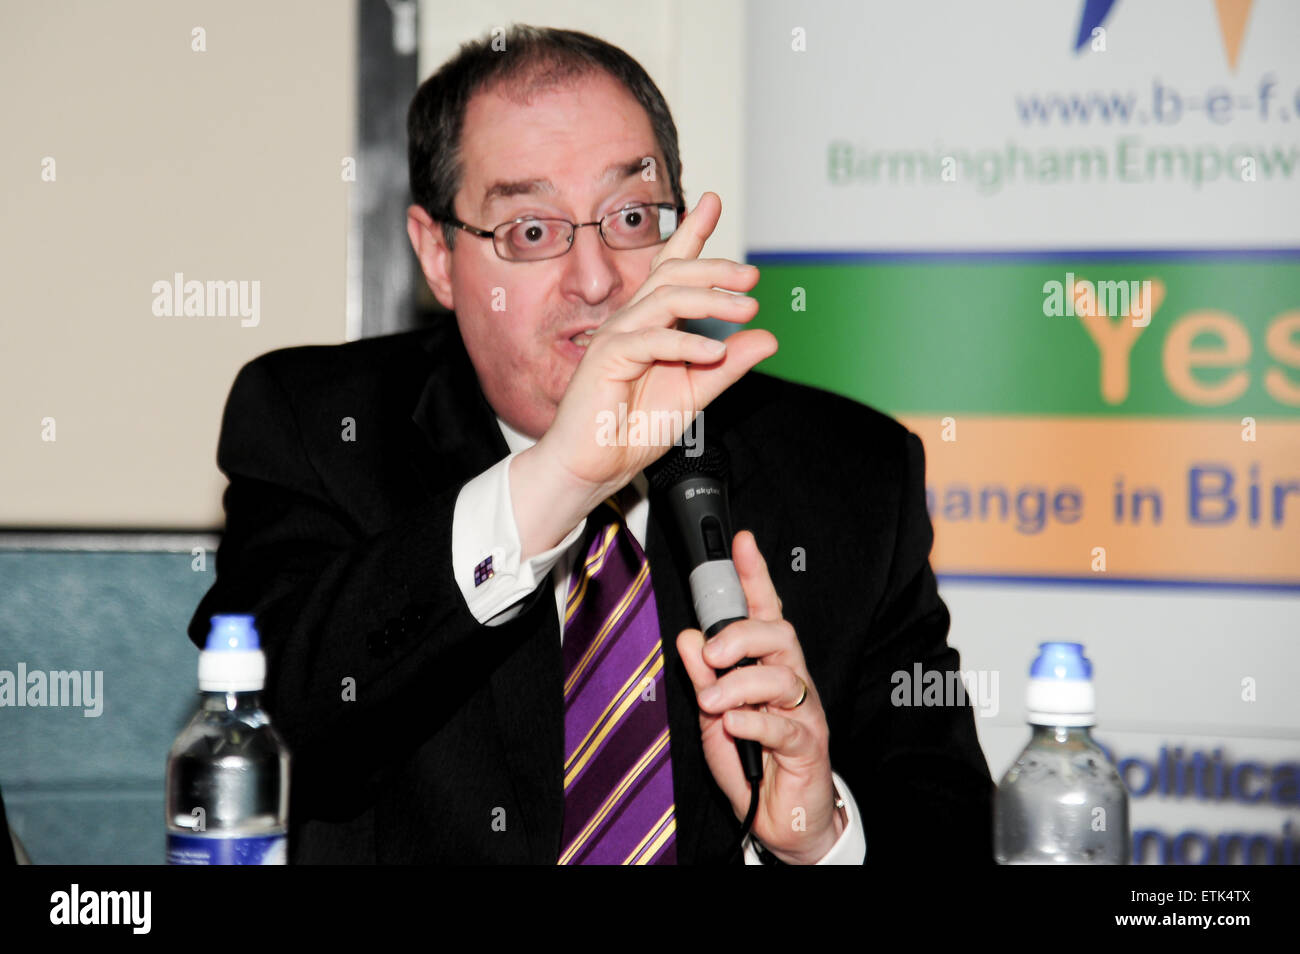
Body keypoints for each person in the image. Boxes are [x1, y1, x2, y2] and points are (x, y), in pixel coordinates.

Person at [188, 24, 994, 864]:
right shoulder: (320, 429)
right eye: (531, 231)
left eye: (633, 217)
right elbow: (268, 736)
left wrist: (820, 837)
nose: (598, 278)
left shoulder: (850, 474)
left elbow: (951, 824)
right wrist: (560, 479)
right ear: (437, 255)